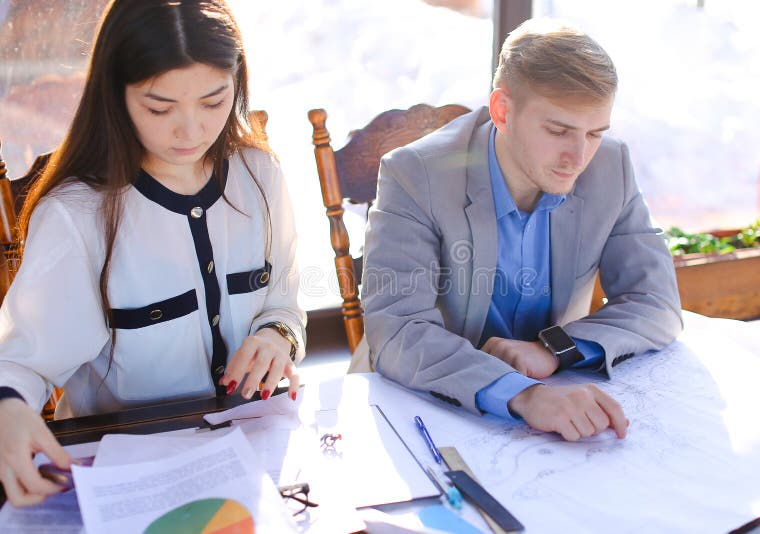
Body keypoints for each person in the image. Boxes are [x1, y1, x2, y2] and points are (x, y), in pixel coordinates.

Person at [0, 0, 305, 506]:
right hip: (130, 474)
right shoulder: (77, 214)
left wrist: (277, 336)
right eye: (160, 108)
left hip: (257, 457)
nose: (191, 130)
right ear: (115, 95)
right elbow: (21, 362)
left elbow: (285, 304)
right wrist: (7, 408)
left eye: (213, 101)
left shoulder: (260, 176)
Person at [361, 19, 682, 442]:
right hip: (426, 405)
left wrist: (554, 349)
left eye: (594, 133)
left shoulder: (611, 164)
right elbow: (399, 329)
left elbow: (657, 303)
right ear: (502, 111)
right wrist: (524, 394)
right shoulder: (414, 174)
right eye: (558, 131)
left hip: (555, 401)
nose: (578, 157)